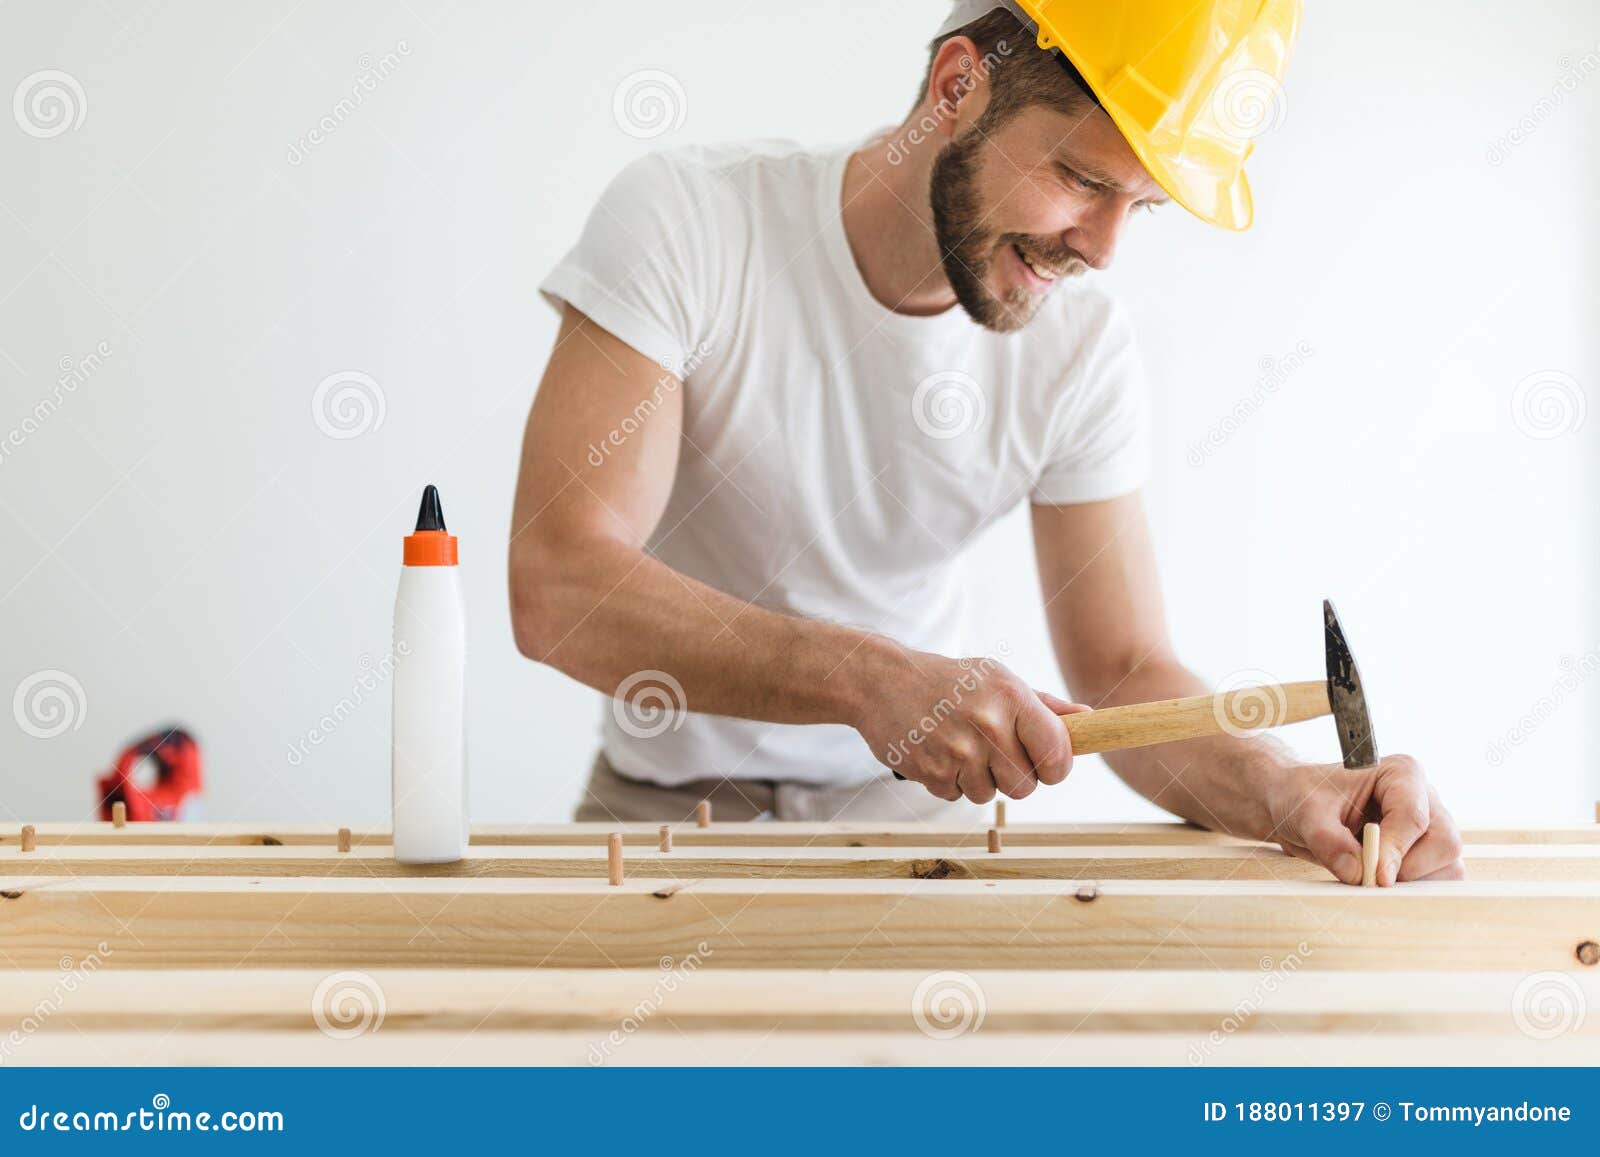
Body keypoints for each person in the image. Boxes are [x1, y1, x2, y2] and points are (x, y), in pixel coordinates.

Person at [509, 0, 1464, 884]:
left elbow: (1126, 668)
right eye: (1082, 180)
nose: (1102, 249)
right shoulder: (689, 223)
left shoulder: (1082, 351)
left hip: (911, 833)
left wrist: (1286, 791)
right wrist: (867, 678)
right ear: (957, 88)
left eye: (1141, 205)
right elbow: (560, 584)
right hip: (666, 811)